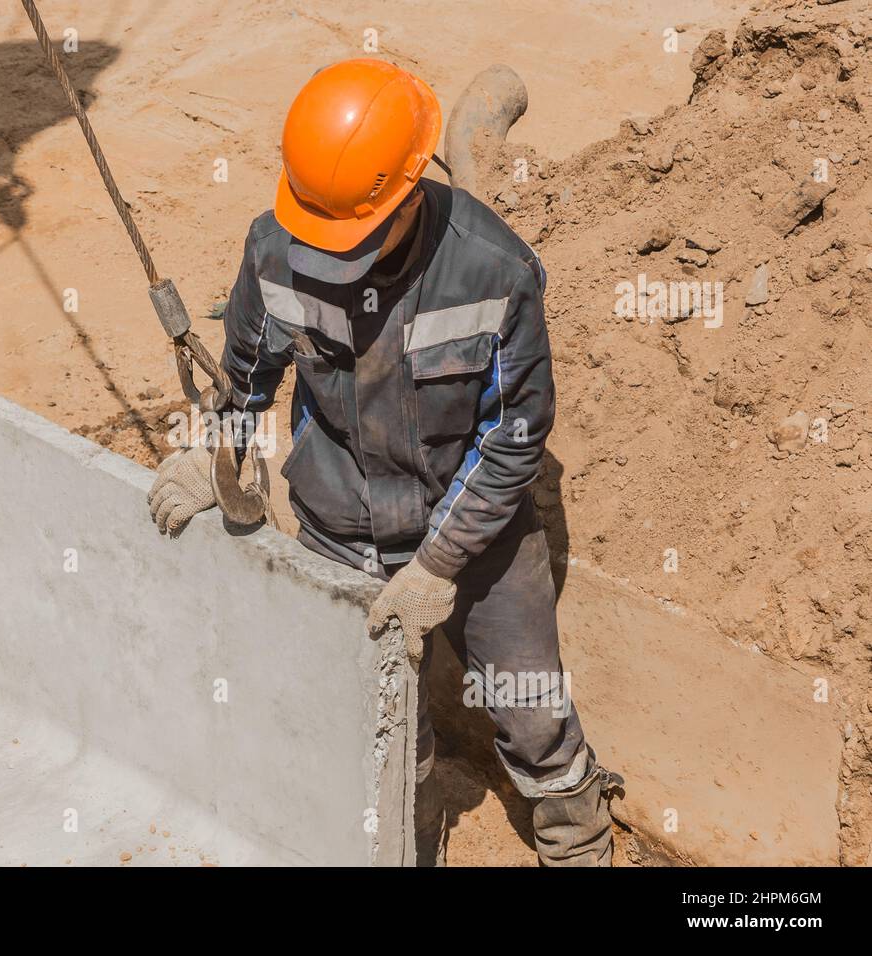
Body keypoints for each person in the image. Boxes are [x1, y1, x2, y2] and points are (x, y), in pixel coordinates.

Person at [147, 58, 621, 866]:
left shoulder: (493, 270)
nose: (334, 259)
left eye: (354, 239)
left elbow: (513, 436)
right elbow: (247, 375)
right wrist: (217, 452)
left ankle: (576, 841)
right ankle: (407, 836)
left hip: (478, 537)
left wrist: (439, 563)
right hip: (339, 526)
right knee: (376, 719)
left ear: (409, 194)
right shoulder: (275, 249)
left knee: (531, 706)